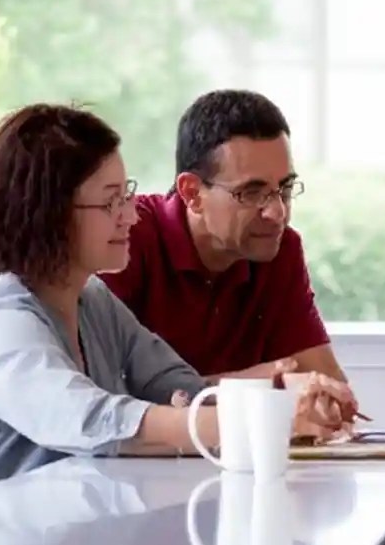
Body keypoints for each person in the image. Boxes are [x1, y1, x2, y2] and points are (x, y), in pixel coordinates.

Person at [0, 104, 353, 495]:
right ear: (48, 214)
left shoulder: (93, 301)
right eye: (110, 203)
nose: (130, 214)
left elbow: (181, 389)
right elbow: (93, 421)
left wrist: (283, 392)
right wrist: (261, 421)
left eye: (126, 195)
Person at [98, 89, 350, 386]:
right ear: (192, 193)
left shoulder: (280, 248)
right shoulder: (124, 235)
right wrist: (250, 383)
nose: (277, 212)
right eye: (252, 192)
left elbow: (324, 381)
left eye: (284, 188)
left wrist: (328, 403)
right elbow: (101, 402)